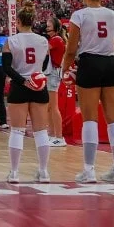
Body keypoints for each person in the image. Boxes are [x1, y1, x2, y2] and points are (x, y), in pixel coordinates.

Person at [61, 0, 114, 184]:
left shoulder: (79, 15)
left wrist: (65, 68)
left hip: (89, 62)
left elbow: (71, 49)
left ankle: (89, 170)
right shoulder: (113, 15)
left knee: (90, 119)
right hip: (110, 63)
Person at [2, 1, 52, 184]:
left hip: (20, 86)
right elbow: (44, 65)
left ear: (18, 22)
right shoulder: (43, 41)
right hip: (39, 86)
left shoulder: (11, 41)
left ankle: (14, 172)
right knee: (41, 132)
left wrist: (23, 80)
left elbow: (6, 67)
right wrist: (34, 77)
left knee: (17, 131)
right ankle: (44, 172)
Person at [45, 15, 68, 147]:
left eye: (49, 25)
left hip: (53, 73)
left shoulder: (56, 40)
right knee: (50, 107)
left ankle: (59, 137)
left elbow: (43, 51)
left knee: (53, 107)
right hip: (51, 73)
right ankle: (52, 134)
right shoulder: (55, 39)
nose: (46, 28)